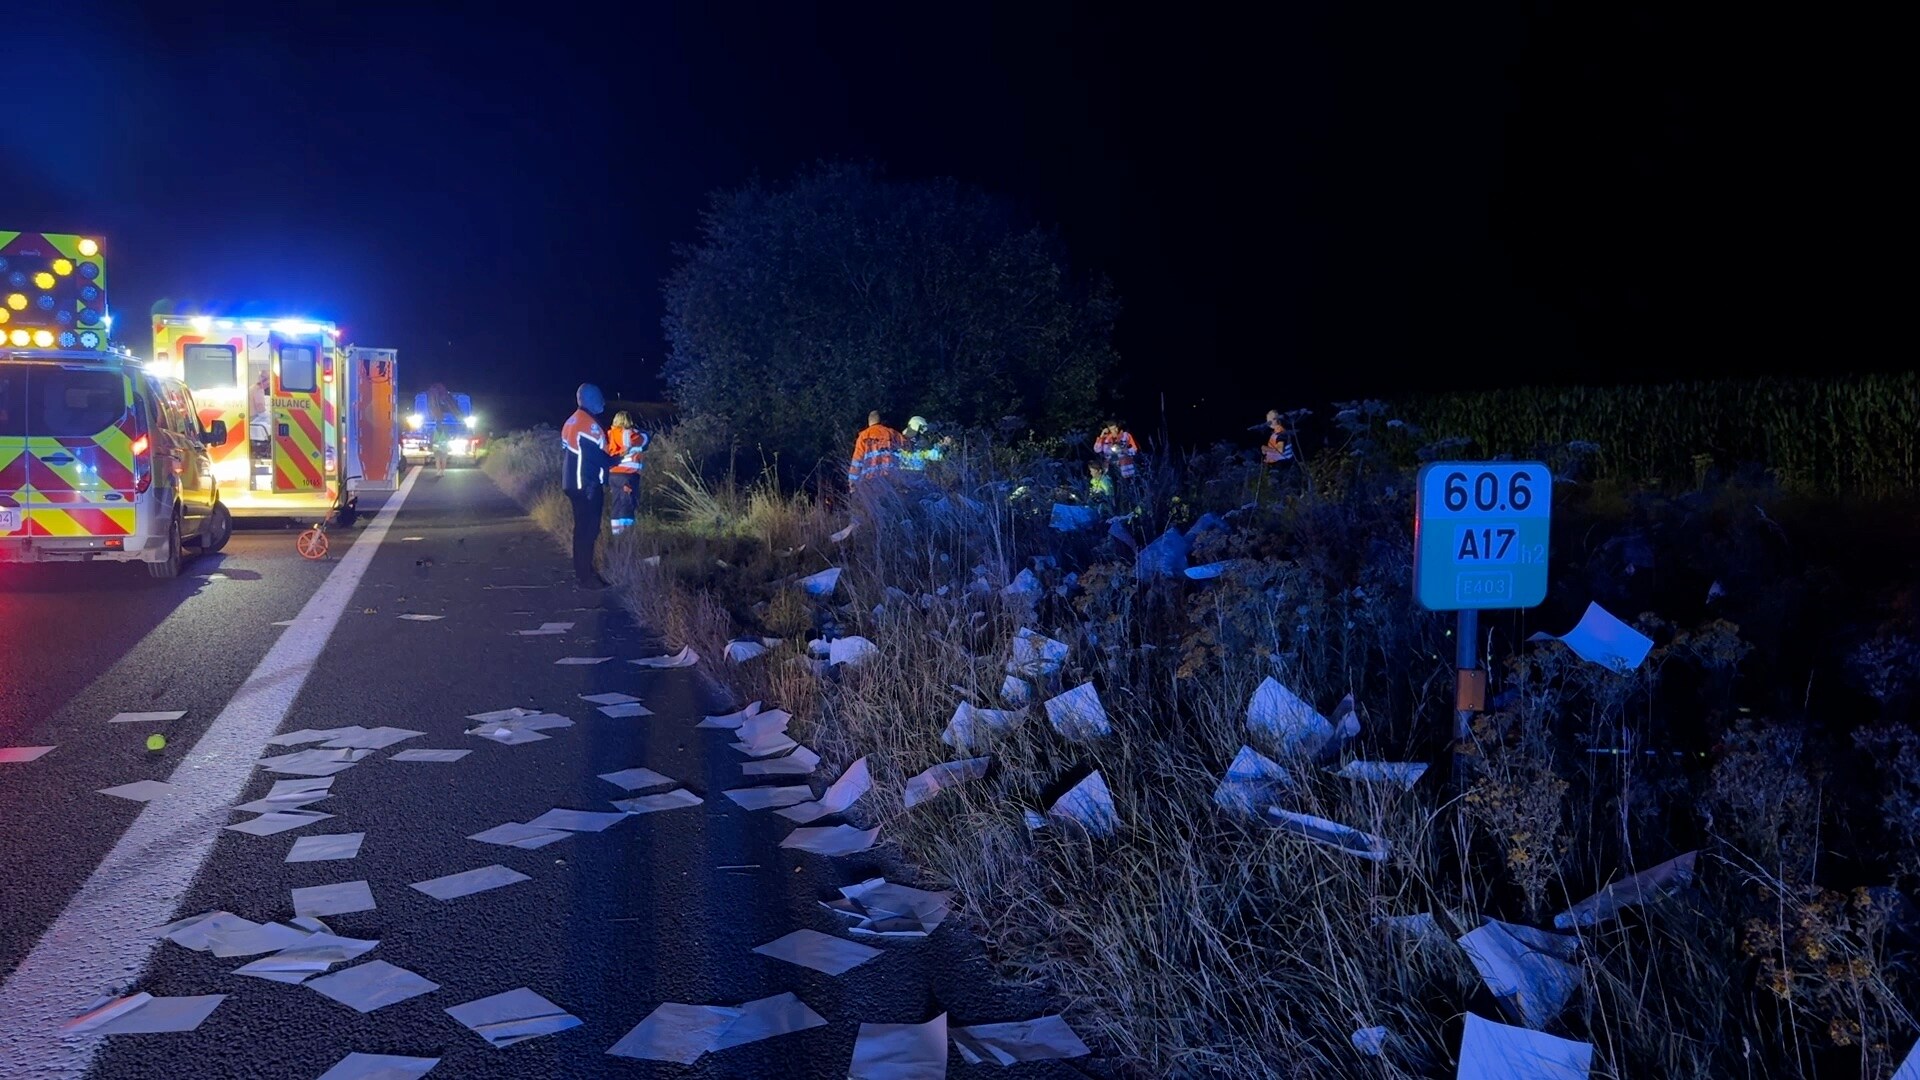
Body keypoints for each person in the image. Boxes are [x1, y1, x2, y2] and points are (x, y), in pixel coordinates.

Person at [561, 383, 614, 588]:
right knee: (589, 531)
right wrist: (620, 459)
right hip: (587, 485)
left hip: (572, 483)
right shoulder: (589, 425)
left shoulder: (571, 421)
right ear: (590, 399)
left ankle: (583, 572)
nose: (603, 401)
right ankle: (586, 578)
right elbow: (598, 458)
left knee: (581, 529)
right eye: (600, 397)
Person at [607, 411, 648, 536]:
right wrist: (644, 434)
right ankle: (627, 535)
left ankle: (616, 535)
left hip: (613, 475)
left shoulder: (609, 433)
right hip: (627, 475)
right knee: (628, 504)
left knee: (617, 503)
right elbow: (644, 440)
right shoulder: (629, 434)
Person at [847, 411, 906, 487]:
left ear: (869, 422)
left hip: (870, 480)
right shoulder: (893, 434)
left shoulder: (863, 436)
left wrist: (852, 482)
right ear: (881, 421)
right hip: (890, 479)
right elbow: (906, 451)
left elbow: (857, 461)